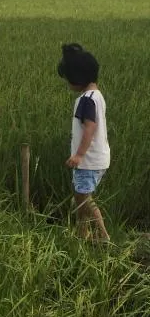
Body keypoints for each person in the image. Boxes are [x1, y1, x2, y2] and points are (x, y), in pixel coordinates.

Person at [58, 43, 110, 241]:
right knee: (80, 196)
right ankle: (83, 233)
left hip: (88, 161)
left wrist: (79, 155)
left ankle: (102, 234)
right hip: (97, 158)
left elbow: (90, 128)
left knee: (84, 198)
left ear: (78, 77)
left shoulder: (86, 99)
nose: (68, 83)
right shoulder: (97, 96)